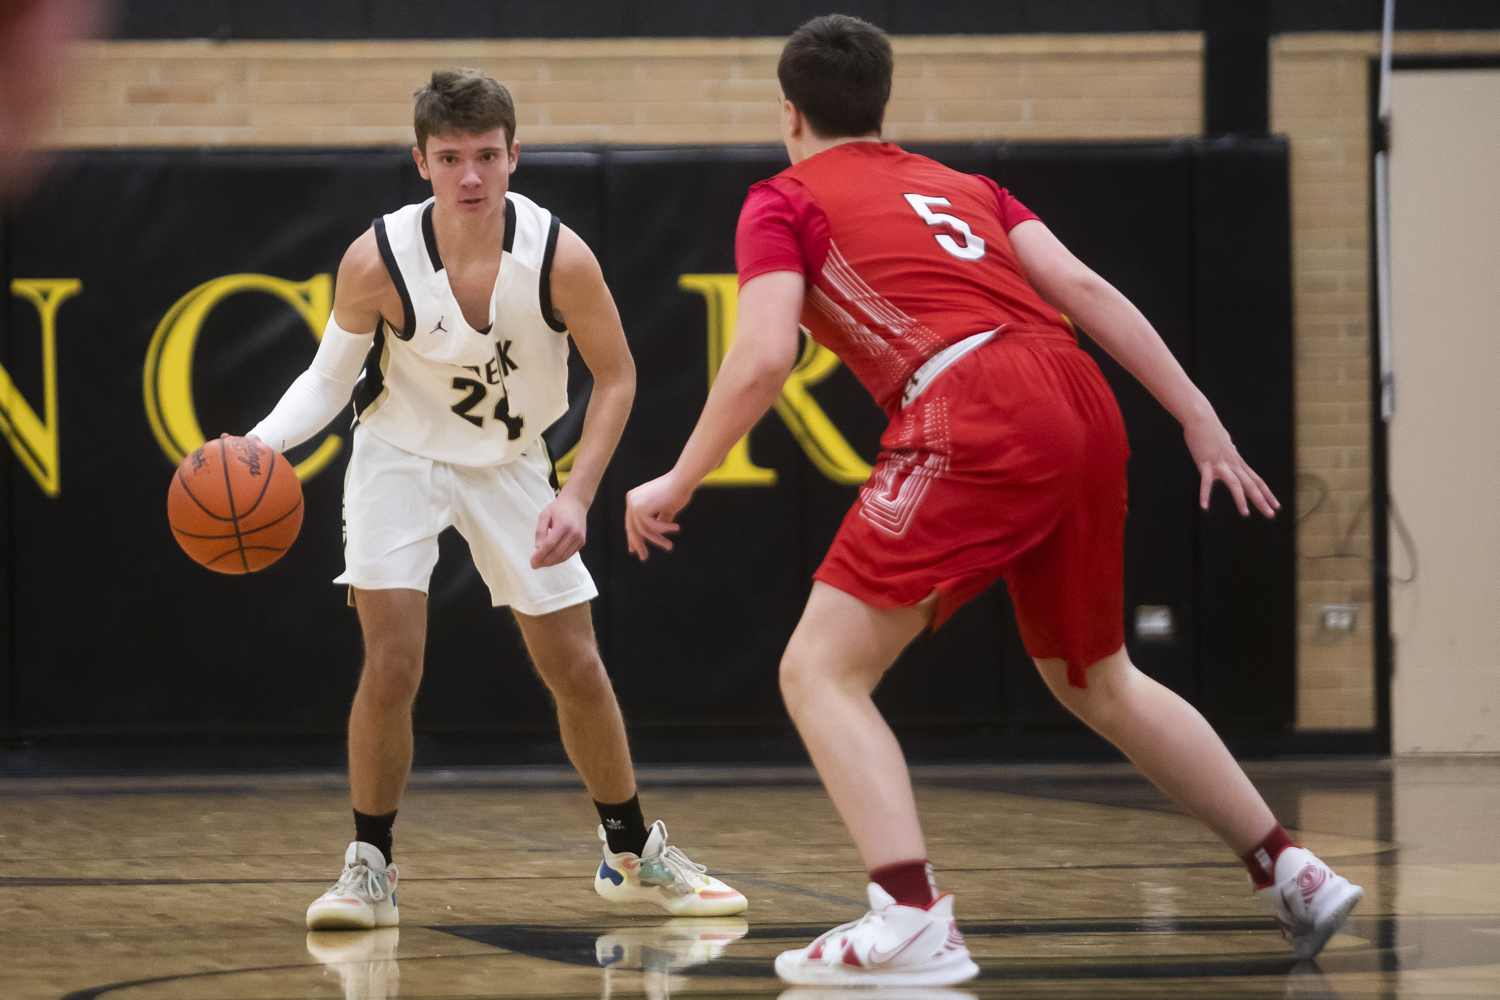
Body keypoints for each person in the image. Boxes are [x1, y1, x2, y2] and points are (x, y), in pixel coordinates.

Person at [624, 14, 1361, 987]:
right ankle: (1290, 869)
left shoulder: (783, 198)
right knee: (1095, 676)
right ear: (881, 106)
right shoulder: (966, 185)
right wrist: (1197, 415)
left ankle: (914, 917)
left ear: (789, 114)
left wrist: (676, 477)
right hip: (1080, 397)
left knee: (818, 671)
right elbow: (1086, 287)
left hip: (973, 405)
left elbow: (764, 355)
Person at [248, 69, 745, 930]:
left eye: (486, 155)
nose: (470, 176)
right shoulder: (377, 258)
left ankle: (630, 855)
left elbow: (619, 377)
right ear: (421, 162)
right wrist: (255, 447)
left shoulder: (562, 257)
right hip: (397, 456)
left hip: (514, 462)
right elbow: (328, 382)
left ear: (515, 155)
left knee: (575, 665)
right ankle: (369, 867)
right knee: (393, 663)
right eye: (450, 158)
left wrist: (579, 492)